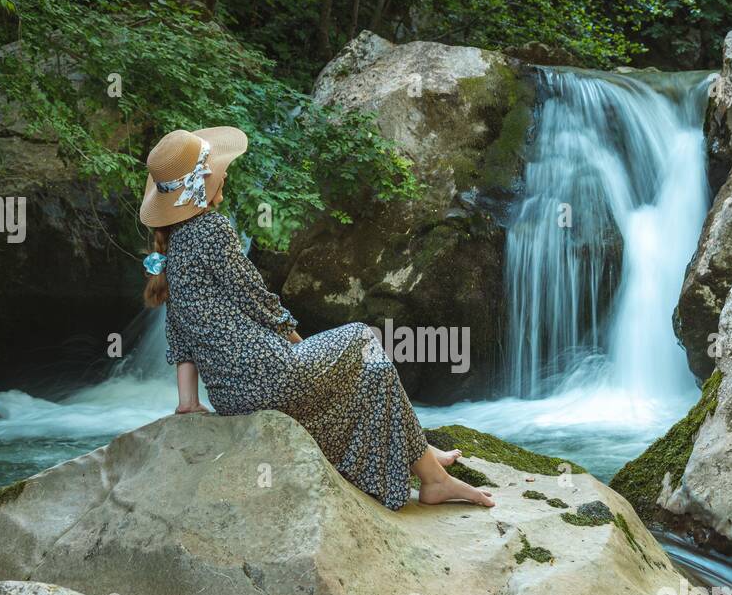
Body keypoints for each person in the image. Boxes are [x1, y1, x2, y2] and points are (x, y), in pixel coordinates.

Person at [139, 127, 494, 510]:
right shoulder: (212, 229)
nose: (225, 172)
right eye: (218, 168)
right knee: (362, 338)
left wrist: (188, 403)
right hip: (270, 374)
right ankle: (431, 474)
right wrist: (301, 348)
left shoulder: (173, 249)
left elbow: (179, 336)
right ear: (203, 182)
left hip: (232, 397)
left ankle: (424, 463)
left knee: (372, 374)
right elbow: (258, 300)